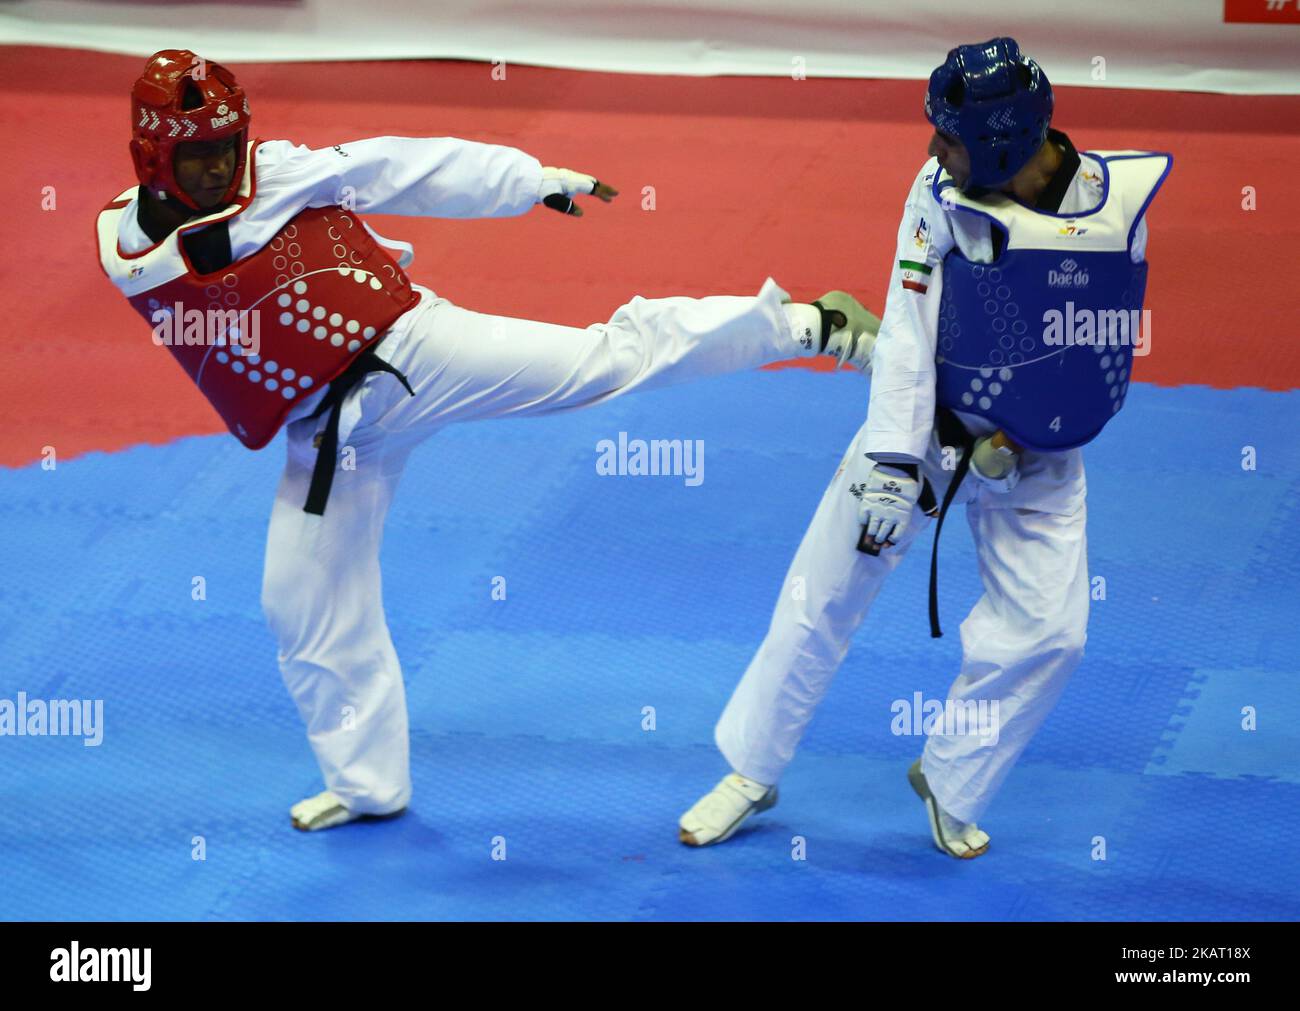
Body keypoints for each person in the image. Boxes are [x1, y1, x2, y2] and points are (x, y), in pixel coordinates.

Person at [96, 49, 881, 831]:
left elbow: (400, 166)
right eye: (198, 156)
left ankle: (812, 321)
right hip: (333, 433)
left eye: (227, 149)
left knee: (602, 360)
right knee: (301, 601)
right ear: (152, 154)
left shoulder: (281, 173)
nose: (218, 170)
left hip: (410, 355)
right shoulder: (119, 244)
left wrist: (527, 179)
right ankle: (369, 785)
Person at [679, 37, 1171, 858]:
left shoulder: (1115, 203)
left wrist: (1027, 432)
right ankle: (751, 770)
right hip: (932, 424)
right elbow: (906, 327)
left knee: (1054, 633)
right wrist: (891, 463)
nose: (929, 151)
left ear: (1003, 144)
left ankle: (953, 776)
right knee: (824, 589)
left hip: (1037, 446)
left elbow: (1097, 352)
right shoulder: (938, 190)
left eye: (947, 138)